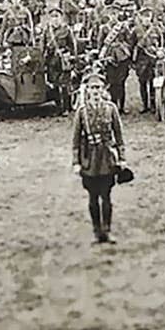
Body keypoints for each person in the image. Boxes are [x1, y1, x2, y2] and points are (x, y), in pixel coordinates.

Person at [72, 72, 126, 243]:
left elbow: (119, 136)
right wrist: (76, 162)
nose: (95, 91)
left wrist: (122, 158)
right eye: (92, 88)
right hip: (89, 160)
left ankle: (107, 230)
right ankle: (97, 231)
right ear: (87, 90)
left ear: (103, 90)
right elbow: (75, 140)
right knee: (92, 197)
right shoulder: (81, 112)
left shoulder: (111, 109)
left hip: (107, 159)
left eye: (98, 88)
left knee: (107, 196)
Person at [43, 7, 78, 115]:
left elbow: (73, 46)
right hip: (51, 61)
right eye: (52, 17)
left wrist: (72, 59)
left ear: (61, 18)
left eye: (57, 16)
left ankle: (66, 108)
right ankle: (58, 107)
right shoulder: (47, 31)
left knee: (64, 85)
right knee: (54, 85)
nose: (55, 19)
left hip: (64, 61)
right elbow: (42, 46)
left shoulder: (66, 30)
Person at [129, 8, 163, 114]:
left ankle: (154, 105)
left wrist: (160, 51)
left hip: (153, 60)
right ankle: (145, 105)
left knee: (154, 82)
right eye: (145, 17)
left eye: (149, 17)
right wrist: (132, 62)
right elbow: (131, 45)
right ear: (141, 18)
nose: (147, 19)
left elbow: (163, 43)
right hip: (141, 61)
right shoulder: (136, 31)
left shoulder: (156, 29)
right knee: (142, 83)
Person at [98, 9, 133, 113]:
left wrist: (122, 47)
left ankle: (122, 107)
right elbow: (100, 44)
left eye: (115, 13)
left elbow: (130, 41)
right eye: (111, 14)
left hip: (122, 58)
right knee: (112, 83)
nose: (113, 16)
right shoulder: (104, 28)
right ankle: (113, 106)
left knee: (121, 82)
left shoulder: (123, 27)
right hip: (109, 59)